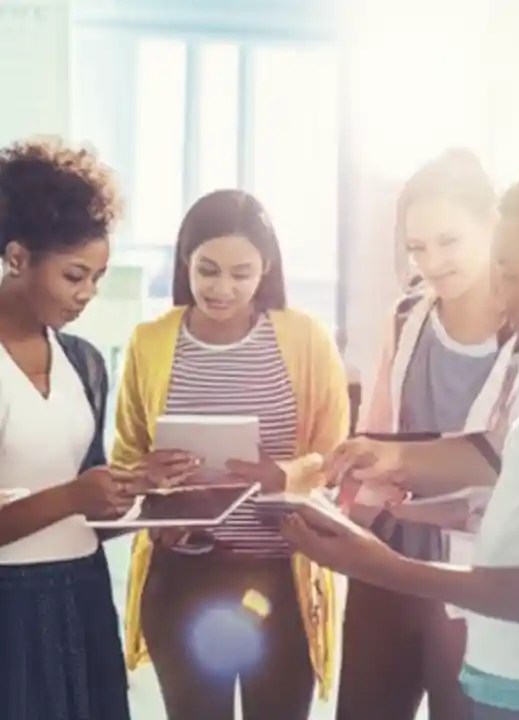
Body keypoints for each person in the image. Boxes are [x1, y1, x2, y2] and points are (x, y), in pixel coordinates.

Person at [286, 163, 519, 719]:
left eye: (510, 272)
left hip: (509, 639)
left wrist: (386, 563)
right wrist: (381, 506)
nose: (432, 263)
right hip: (495, 644)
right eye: (416, 247)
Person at [331, 148, 519, 720]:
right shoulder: (409, 313)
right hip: (390, 554)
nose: (432, 260)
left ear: (493, 226)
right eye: (417, 246)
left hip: (478, 567)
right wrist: (337, 511)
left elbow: (501, 460)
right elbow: (380, 430)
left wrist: (386, 459)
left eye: (448, 240)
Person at [111, 189, 349, 720]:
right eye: (207, 270)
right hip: (182, 576)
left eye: (242, 273)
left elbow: (335, 456)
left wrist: (283, 475)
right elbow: (125, 457)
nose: (222, 288)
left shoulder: (305, 338)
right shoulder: (149, 342)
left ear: (266, 268)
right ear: (184, 263)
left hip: (279, 580)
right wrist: (148, 481)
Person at [0, 137, 137, 720]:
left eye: (98, 279)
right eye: (74, 276)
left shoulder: (85, 363)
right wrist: (77, 496)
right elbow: (70, 496)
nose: (86, 296)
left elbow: (88, 507)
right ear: (17, 258)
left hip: (81, 596)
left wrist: (136, 495)